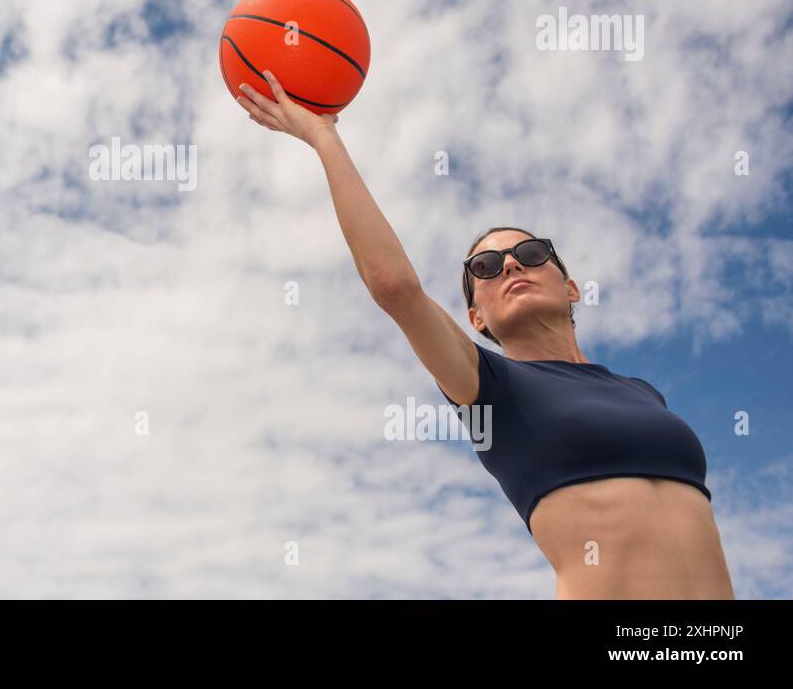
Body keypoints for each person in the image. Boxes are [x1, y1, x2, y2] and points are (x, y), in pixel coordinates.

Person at [236, 71, 735, 599]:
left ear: (570, 288)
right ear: (476, 318)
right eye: (488, 266)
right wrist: (324, 139)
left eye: (531, 254)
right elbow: (395, 287)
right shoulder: (489, 388)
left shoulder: (642, 392)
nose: (511, 267)